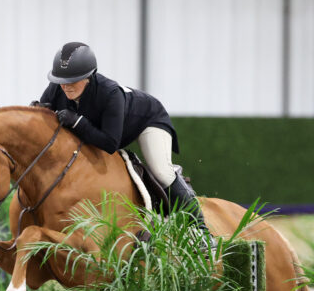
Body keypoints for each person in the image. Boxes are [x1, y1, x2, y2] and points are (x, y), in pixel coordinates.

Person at [35, 41, 211, 241]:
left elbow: (110, 143)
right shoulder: (57, 87)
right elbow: (43, 116)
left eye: (72, 80)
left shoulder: (110, 94)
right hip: (112, 129)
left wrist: (78, 122)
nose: (65, 86)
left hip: (148, 120)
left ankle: (201, 231)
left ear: (88, 77)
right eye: (61, 80)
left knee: (161, 171)